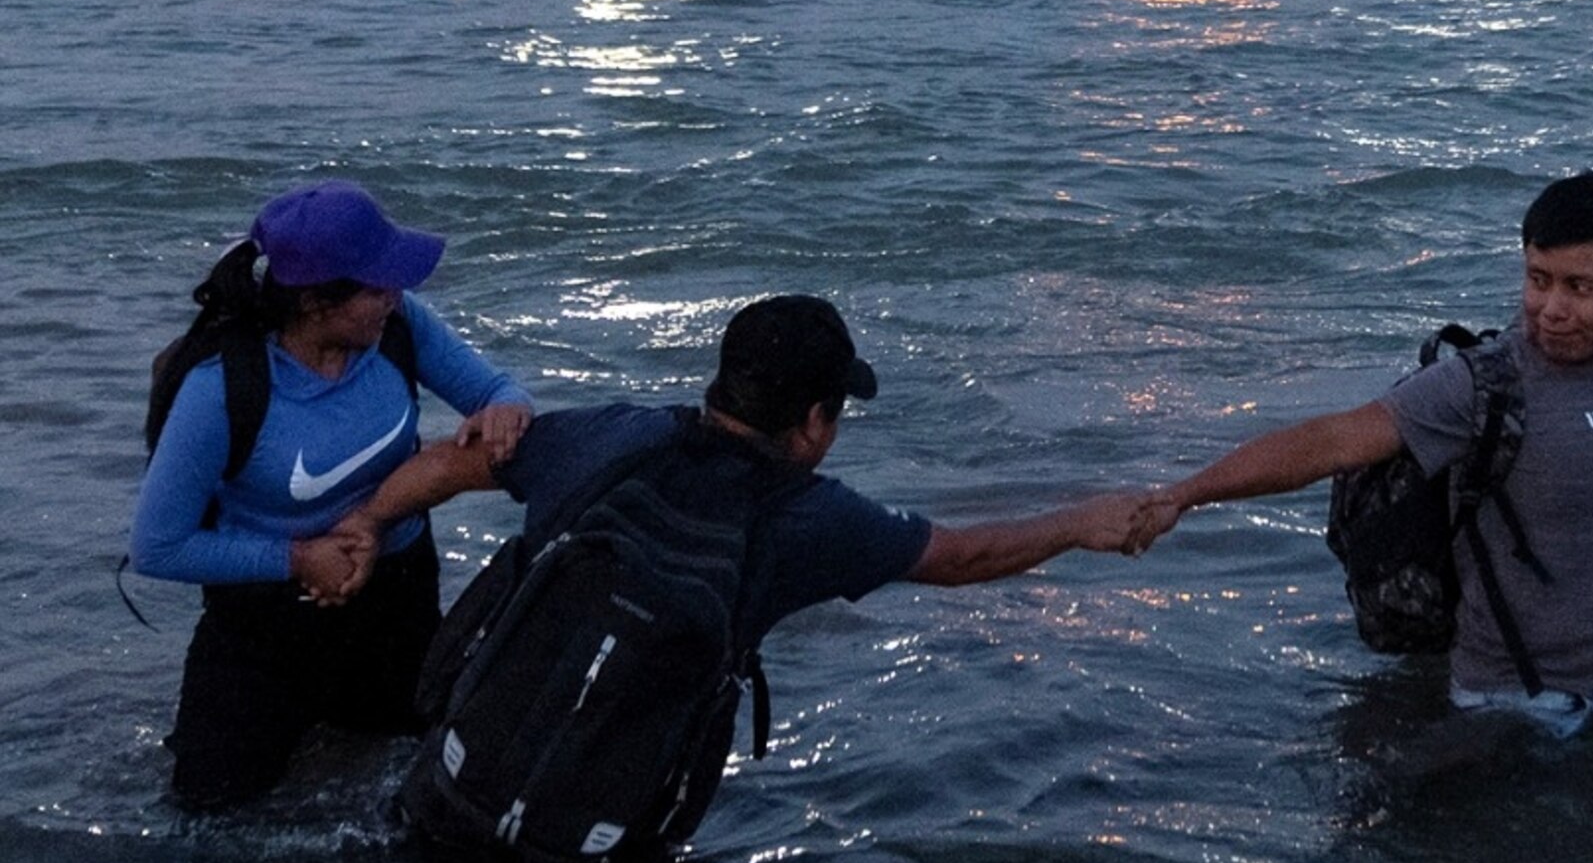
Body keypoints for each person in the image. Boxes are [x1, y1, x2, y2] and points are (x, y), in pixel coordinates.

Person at [1124, 170, 1593, 735]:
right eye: (1537, 279)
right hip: (1521, 708)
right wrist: (1187, 492)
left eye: (1579, 287)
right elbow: (1333, 438)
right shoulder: (1485, 385)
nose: (1551, 308)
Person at [324, 293, 1145, 725]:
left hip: (479, 740)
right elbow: (962, 558)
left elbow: (450, 463)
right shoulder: (813, 518)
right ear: (815, 421)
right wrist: (1077, 522)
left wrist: (366, 521)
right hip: (615, 802)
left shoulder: (612, 435)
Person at [130, 181, 535, 810]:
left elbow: (496, 390)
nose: (394, 298)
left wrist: (509, 410)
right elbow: (158, 546)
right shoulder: (221, 389)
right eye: (376, 287)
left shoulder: (398, 328)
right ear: (315, 302)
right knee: (210, 819)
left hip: (396, 600)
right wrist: (298, 558)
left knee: (413, 795)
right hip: (263, 622)